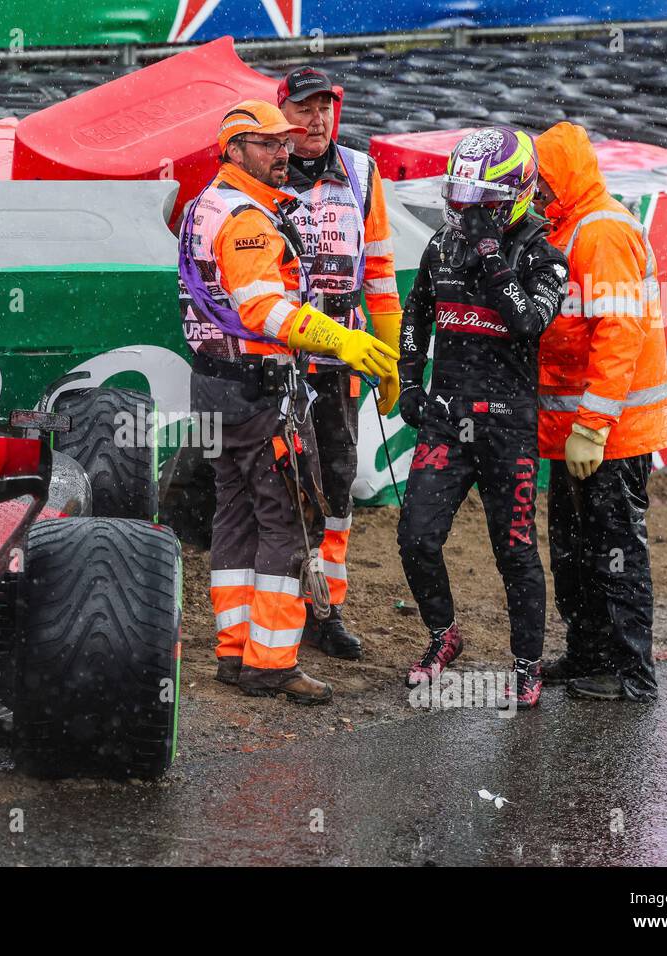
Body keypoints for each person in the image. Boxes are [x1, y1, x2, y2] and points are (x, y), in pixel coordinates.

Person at [179, 100, 399, 704]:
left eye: (285, 143)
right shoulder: (247, 220)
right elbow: (263, 310)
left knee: (234, 513)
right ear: (234, 151)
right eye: (270, 144)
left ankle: (233, 649)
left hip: (214, 386)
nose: (285, 153)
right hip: (257, 388)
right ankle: (271, 661)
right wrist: (343, 339)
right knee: (287, 518)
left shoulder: (206, 204)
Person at [395, 126, 568, 708]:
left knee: (514, 551)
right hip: (446, 418)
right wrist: (409, 380)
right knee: (416, 537)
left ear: (515, 195)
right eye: (461, 199)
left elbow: (527, 323)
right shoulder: (442, 245)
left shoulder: (546, 256)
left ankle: (526, 664)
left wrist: (495, 261)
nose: (467, 214)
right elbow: (415, 311)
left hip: (506, 427)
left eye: (480, 204)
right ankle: (444, 636)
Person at [533, 121, 667, 703]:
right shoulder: (566, 226)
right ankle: (589, 651)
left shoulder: (602, 231)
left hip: (609, 432)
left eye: (540, 181)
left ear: (562, 177)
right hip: (579, 431)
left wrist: (592, 425)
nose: (531, 193)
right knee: (573, 548)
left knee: (615, 552)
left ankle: (631, 671)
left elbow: (619, 334)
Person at [277, 67, 403, 661]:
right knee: (284, 488)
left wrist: (390, 354)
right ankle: (281, 609)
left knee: (338, 485)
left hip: (340, 364)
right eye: (304, 107)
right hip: (276, 359)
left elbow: (379, 271)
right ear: (283, 114)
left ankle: (328, 608)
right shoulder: (263, 169)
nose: (317, 117)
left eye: (325, 106)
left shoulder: (361, 171)